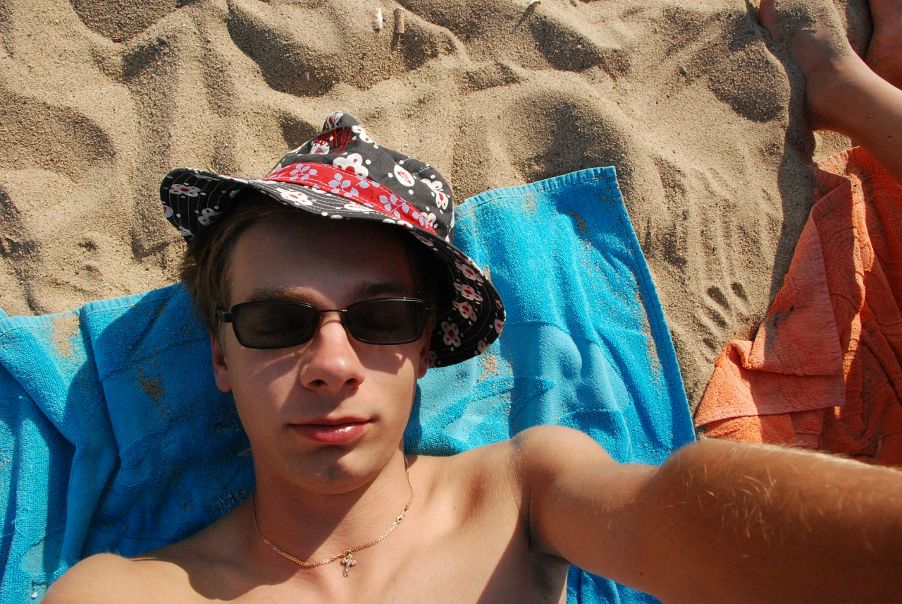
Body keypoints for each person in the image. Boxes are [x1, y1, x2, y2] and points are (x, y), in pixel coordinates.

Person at [45, 2, 902, 602]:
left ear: (425, 346)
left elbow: (669, 518)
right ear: (220, 356)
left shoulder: (521, 493)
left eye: (381, 318)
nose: (332, 366)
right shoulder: (123, 592)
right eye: (277, 323)